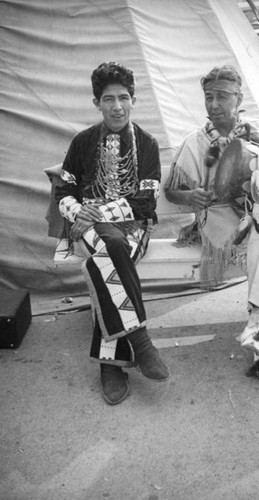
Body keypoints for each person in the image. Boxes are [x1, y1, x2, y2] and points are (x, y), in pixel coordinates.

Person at [165, 65, 259, 384]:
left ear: (239, 98)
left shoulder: (257, 128)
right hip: (218, 225)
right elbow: (170, 190)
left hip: (256, 218)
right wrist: (191, 195)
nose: (214, 104)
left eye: (221, 96)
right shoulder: (195, 141)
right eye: (208, 97)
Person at [55, 62, 169, 405]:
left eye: (123, 98)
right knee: (110, 245)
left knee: (110, 250)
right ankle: (141, 341)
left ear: (133, 100)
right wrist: (80, 212)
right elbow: (64, 193)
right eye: (108, 99)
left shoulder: (147, 144)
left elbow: (146, 203)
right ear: (97, 103)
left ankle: (110, 363)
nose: (116, 106)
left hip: (132, 226)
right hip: (87, 226)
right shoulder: (82, 142)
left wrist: (97, 211)